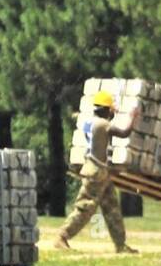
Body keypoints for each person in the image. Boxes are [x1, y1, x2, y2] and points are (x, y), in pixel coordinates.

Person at [54, 90, 140, 253]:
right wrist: (132, 117)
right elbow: (124, 133)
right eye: (111, 110)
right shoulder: (102, 124)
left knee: (112, 208)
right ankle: (62, 236)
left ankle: (120, 245)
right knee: (85, 207)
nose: (112, 113)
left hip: (100, 172)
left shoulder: (90, 122)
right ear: (106, 109)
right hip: (96, 173)